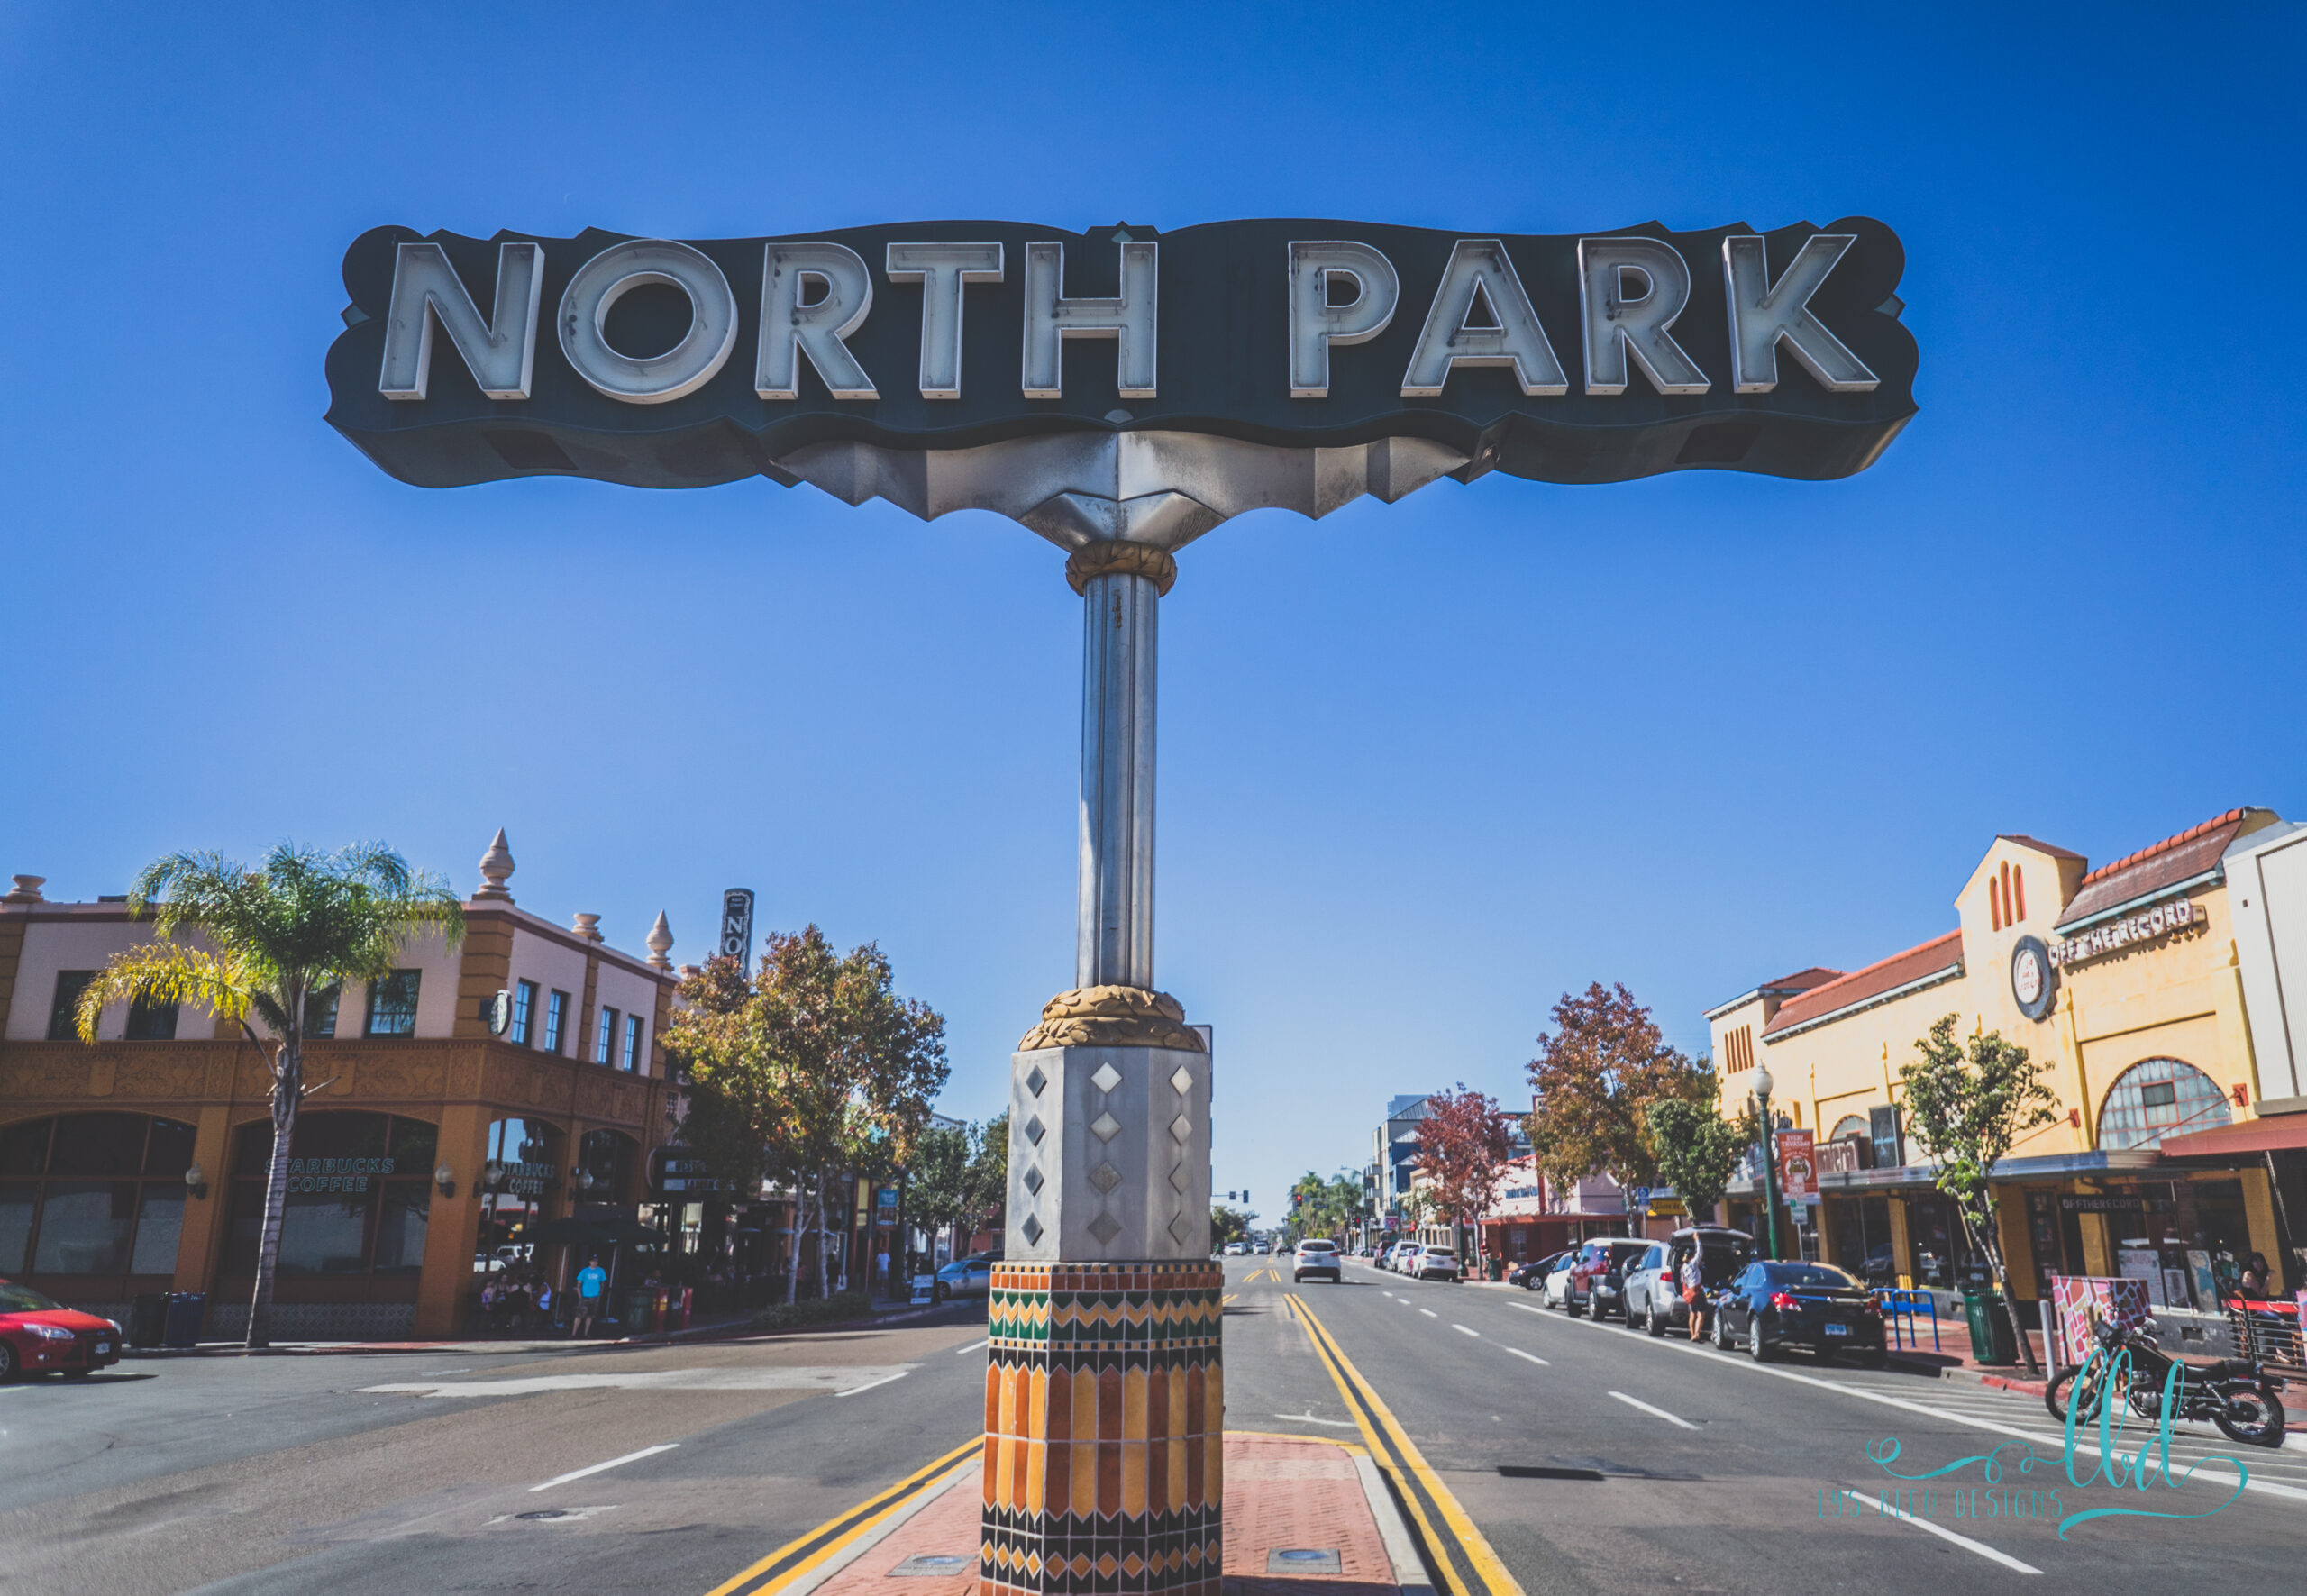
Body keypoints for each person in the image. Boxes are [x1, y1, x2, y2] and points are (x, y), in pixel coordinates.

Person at [573, 1254, 608, 1337]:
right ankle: (573, 1333)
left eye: (596, 1261)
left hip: (595, 1296)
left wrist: (600, 1294)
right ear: (590, 1262)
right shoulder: (584, 1271)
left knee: (590, 1315)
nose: (594, 1262)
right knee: (579, 1315)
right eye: (593, 1261)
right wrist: (580, 1296)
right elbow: (578, 1284)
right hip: (585, 1296)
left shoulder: (601, 1271)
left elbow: (603, 1283)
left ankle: (586, 1333)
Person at [1680, 1250, 1710, 1343]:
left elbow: (1682, 1281)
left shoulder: (1683, 1268)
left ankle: (1692, 1334)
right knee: (1701, 1313)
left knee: (1692, 1313)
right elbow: (1700, 1252)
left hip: (1689, 1293)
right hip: (1697, 1292)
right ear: (1692, 1257)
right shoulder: (1693, 1264)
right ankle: (1697, 1334)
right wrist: (1697, 1239)